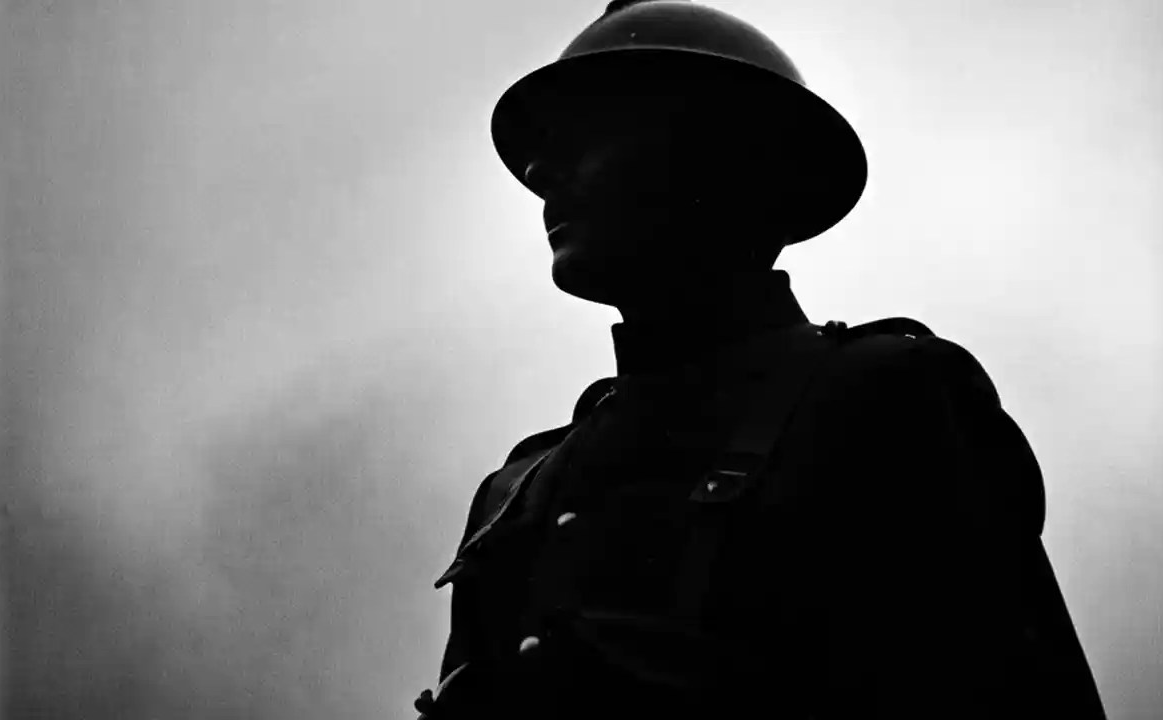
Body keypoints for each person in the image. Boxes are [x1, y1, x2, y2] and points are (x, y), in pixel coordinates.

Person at [415, 1, 1107, 717]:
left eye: (588, 136)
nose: (537, 170)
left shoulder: (882, 395)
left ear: (720, 156)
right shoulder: (520, 487)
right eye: (546, 147)